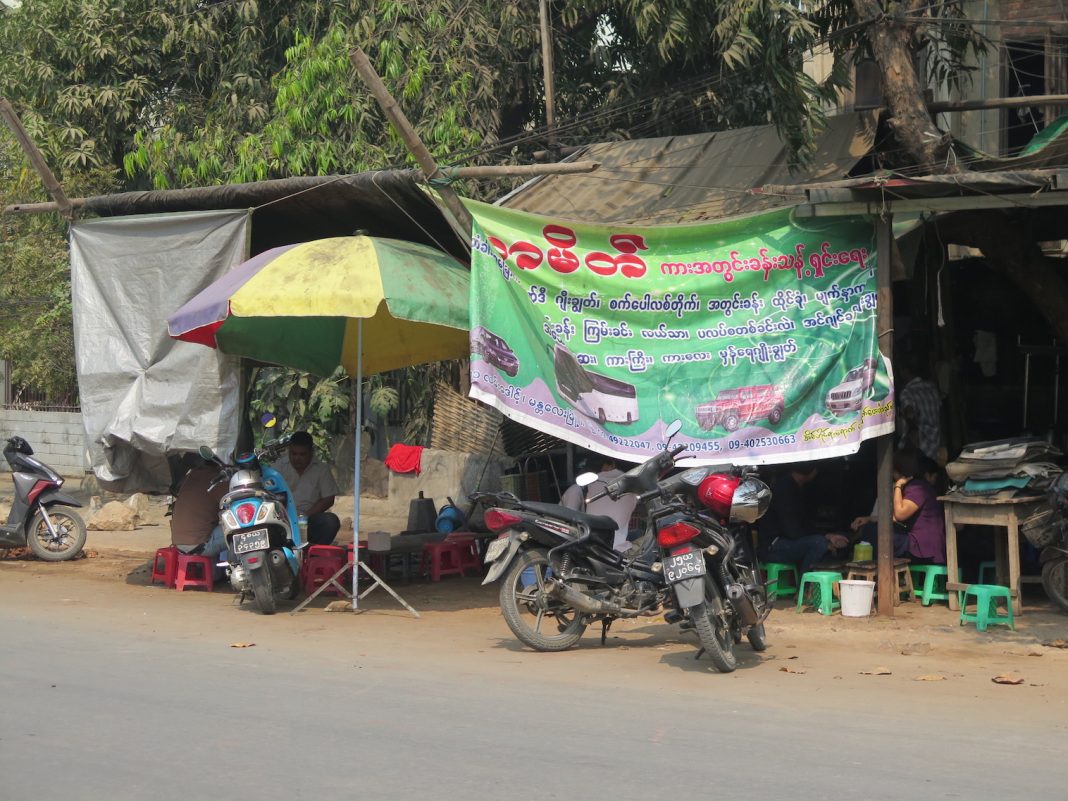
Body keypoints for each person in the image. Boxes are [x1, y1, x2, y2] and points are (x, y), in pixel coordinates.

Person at [850, 449, 945, 564]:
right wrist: (868, 519)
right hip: (916, 542)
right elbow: (893, 519)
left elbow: (899, 515)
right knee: (872, 527)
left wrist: (898, 486)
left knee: (874, 533)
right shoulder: (914, 486)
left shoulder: (917, 488)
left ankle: (875, 574)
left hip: (922, 546)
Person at [761, 463, 849, 573]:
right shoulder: (784, 489)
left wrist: (828, 536)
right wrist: (825, 540)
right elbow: (792, 531)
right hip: (773, 546)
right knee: (819, 543)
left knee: (831, 544)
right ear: (813, 472)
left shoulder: (796, 487)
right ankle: (807, 585)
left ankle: (821, 583)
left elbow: (804, 525)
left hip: (788, 540)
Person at [274, 431, 341, 546]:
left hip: (309, 519)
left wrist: (305, 516)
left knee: (331, 521)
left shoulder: (321, 469)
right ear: (289, 451)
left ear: (311, 452)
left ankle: (313, 554)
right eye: (293, 454)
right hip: (282, 519)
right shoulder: (278, 467)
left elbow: (329, 498)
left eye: (302, 454)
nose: (297, 458)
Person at [560, 454, 637, 552]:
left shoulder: (584, 487)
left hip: (590, 544)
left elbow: (570, 521)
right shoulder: (633, 491)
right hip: (616, 549)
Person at [170, 458, 228, 558]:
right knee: (241, 530)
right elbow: (231, 499)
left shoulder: (192, 475)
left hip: (178, 544)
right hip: (199, 546)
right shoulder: (216, 478)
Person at [896, 356, 943, 462]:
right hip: (935, 444)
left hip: (920, 446)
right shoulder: (932, 388)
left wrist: (912, 433)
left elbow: (909, 413)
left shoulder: (907, 392)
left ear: (905, 371)